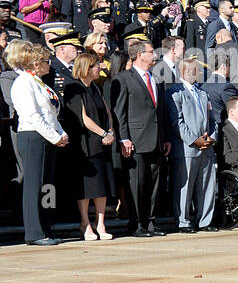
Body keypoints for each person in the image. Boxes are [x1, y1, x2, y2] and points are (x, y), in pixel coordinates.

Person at [7, 40, 68, 244]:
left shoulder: (39, 83)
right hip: (33, 136)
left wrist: (60, 133)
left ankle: (46, 226)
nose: (48, 64)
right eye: (45, 61)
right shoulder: (23, 83)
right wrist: (54, 136)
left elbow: (50, 112)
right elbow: (32, 115)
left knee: (48, 186)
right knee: (35, 184)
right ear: (35, 64)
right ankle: (34, 232)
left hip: (48, 135)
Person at [111, 37, 170, 236]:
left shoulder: (156, 78)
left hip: (156, 139)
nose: (154, 55)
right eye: (150, 51)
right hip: (135, 139)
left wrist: (165, 137)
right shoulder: (123, 79)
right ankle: (136, 223)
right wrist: (123, 138)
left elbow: (160, 111)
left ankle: (151, 221)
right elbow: (120, 112)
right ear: (139, 55)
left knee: (154, 184)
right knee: (136, 183)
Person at [61, 52, 117, 240]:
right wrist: (103, 133)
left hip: (102, 143)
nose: (99, 68)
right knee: (86, 187)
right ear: (87, 68)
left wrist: (110, 131)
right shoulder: (73, 88)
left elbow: (106, 111)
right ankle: (85, 222)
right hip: (85, 145)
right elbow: (83, 118)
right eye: (96, 65)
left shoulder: (95, 88)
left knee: (102, 185)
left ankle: (100, 223)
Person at [165, 54, 220, 232]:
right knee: (184, 186)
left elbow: (212, 119)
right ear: (183, 71)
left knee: (206, 185)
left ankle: (205, 221)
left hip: (206, 147)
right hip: (187, 147)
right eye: (193, 70)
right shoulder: (174, 92)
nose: (197, 73)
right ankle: (183, 221)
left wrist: (212, 136)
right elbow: (177, 121)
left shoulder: (203, 93)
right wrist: (193, 140)